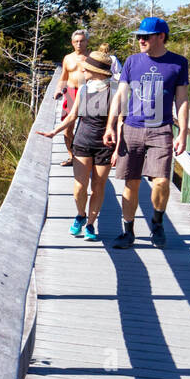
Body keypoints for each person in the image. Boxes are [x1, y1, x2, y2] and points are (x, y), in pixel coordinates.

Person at [104, 17, 190, 249]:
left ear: (161, 36)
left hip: (161, 129)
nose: (140, 40)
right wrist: (111, 125)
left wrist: (182, 132)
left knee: (161, 180)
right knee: (131, 183)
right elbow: (120, 95)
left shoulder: (178, 63)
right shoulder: (132, 62)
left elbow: (181, 100)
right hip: (132, 127)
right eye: (138, 36)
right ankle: (128, 231)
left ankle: (157, 222)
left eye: (145, 36)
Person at [37, 50, 117, 241]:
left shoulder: (113, 91)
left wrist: (119, 147)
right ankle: (80, 214)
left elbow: (118, 121)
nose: (83, 71)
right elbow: (73, 115)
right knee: (80, 186)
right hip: (82, 141)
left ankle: (90, 224)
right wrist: (54, 132)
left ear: (97, 71)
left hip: (104, 144)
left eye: (87, 68)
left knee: (98, 186)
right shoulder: (83, 89)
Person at [55, 30, 92, 167]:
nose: (79, 43)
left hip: (88, 93)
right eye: (76, 41)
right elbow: (63, 77)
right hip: (70, 93)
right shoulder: (68, 58)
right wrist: (58, 89)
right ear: (72, 42)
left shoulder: (92, 57)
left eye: (82, 41)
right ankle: (72, 156)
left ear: (87, 42)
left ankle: (88, 157)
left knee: (87, 127)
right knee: (67, 128)